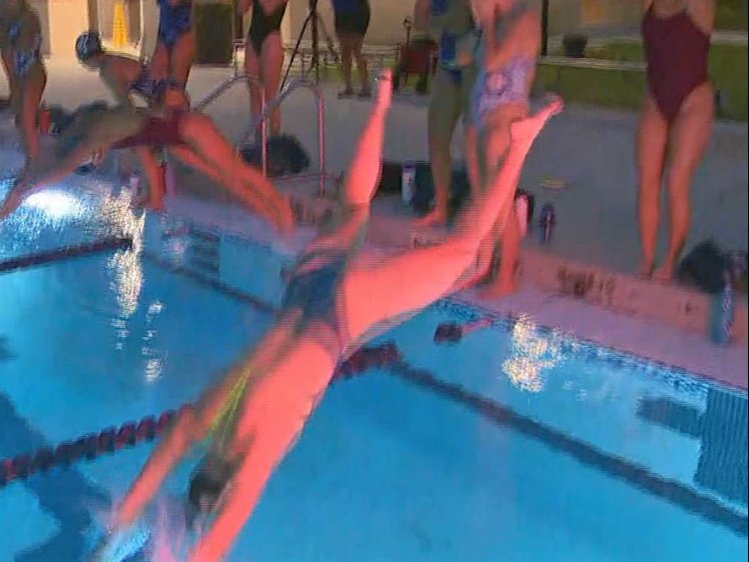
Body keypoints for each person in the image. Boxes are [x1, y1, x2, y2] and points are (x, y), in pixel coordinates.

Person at [89, 72, 563, 562]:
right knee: (353, 207)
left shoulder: (258, 453)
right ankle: (380, 104)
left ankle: (521, 142)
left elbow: (211, 551)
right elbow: (164, 457)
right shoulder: (207, 416)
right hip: (306, 285)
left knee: (465, 250)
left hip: (345, 309)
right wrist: (108, 540)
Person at [0, 87, 294, 231]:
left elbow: (59, 170)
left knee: (236, 172)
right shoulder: (104, 124)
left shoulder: (92, 136)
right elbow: (147, 157)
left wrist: (21, 194)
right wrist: (155, 200)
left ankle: (281, 209)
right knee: (223, 177)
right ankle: (275, 219)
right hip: (172, 134)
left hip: (187, 126)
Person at [604, 0, 714, 280]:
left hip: (693, 99)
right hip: (656, 98)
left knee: (676, 181)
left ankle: (668, 262)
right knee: (647, 182)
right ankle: (647, 258)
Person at [467, 0, 540, 298]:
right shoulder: (495, 19)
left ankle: (507, 275)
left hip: (507, 120)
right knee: (485, 200)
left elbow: (494, 62)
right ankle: (486, 266)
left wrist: (487, 21)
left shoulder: (523, 19)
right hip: (484, 117)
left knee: (502, 203)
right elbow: (475, 60)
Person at [413, 0, 480, 228]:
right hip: (450, 64)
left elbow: (485, 19)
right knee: (441, 136)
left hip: (470, 66)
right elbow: (420, 19)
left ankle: (475, 207)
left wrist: (443, 27)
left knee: (470, 140)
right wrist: (441, 28)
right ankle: (443, 205)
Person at [238, 0, 290, 136]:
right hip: (255, 36)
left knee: (270, 94)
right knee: (253, 90)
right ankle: (258, 137)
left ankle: (275, 138)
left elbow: (269, 9)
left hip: (271, 37)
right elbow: (241, 9)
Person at [0, 0, 46, 165]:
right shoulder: (10, 19)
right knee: (21, 119)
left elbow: (24, 45)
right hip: (20, 72)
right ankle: (30, 158)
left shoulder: (28, 18)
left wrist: (9, 42)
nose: (6, 2)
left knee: (27, 120)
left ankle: (34, 163)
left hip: (32, 70)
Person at [324, 0, 372, 98]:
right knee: (344, 50)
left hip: (357, 12)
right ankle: (348, 85)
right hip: (341, 12)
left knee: (356, 49)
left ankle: (365, 85)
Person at [75, 30, 172, 108]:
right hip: (167, 88)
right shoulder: (112, 58)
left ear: (90, 58)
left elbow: (126, 107)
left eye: (83, 61)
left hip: (166, 96)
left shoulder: (108, 71)